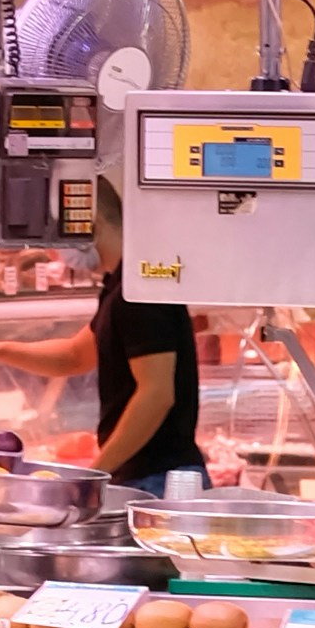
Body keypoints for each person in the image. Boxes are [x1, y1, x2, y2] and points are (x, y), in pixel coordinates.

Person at [86, 177, 195, 487]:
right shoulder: (118, 285)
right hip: (143, 475)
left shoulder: (139, 290)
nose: (56, 252)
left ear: (89, 221)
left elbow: (157, 394)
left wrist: (94, 474)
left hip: (158, 480)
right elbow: (75, 355)